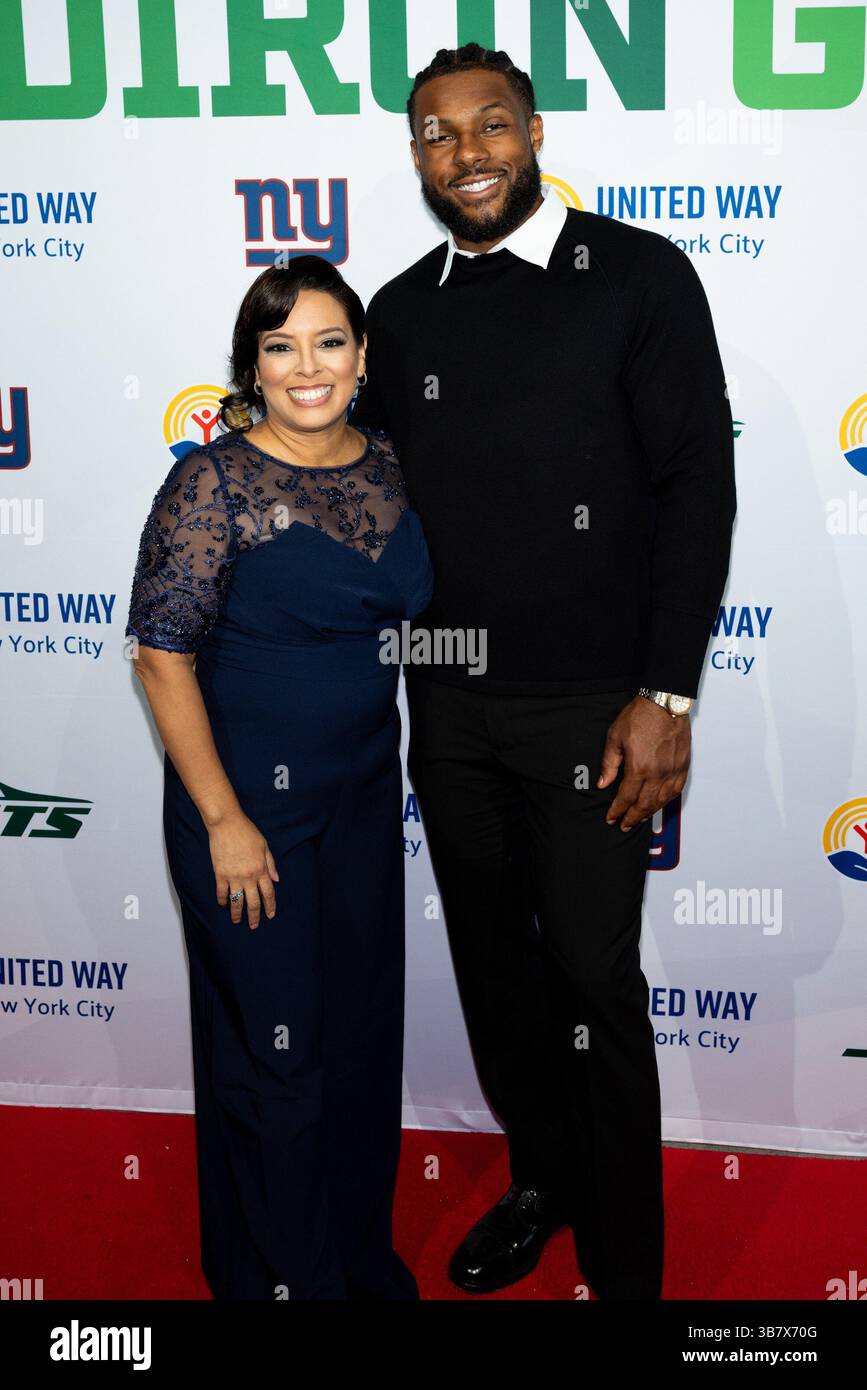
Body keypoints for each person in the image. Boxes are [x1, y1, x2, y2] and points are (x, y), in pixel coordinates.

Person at [350, 43, 737, 1300]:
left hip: (596, 709)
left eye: (490, 124)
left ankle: (628, 1266)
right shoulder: (398, 312)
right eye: (437, 133)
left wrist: (664, 694)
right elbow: (363, 495)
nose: (466, 152)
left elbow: (698, 485)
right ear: (417, 155)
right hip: (447, 700)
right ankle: (543, 1179)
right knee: (496, 969)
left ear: (534, 133)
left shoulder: (636, 274)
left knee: (593, 981)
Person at [124, 256, 433, 1300]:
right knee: (278, 1056)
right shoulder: (213, 483)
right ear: (251, 366)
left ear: (361, 355)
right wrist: (224, 819)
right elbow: (161, 656)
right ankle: (286, 1279)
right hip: (248, 813)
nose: (308, 366)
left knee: (356, 1040)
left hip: (361, 802)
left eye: (329, 341)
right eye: (280, 345)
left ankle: (352, 1254)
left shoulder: (389, 463)